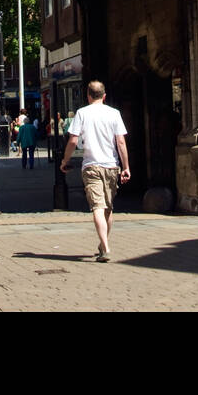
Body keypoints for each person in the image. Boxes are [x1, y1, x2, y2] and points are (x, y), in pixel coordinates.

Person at [60, 80, 129, 262]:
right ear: (104, 96)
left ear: (88, 96)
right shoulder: (114, 114)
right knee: (107, 208)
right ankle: (103, 242)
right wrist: (126, 167)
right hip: (112, 166)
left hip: (91, 166)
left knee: (97, 207)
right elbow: (121, 142)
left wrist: (65, 160)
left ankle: (104, 246)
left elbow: (73, 141)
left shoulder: (82, 113)